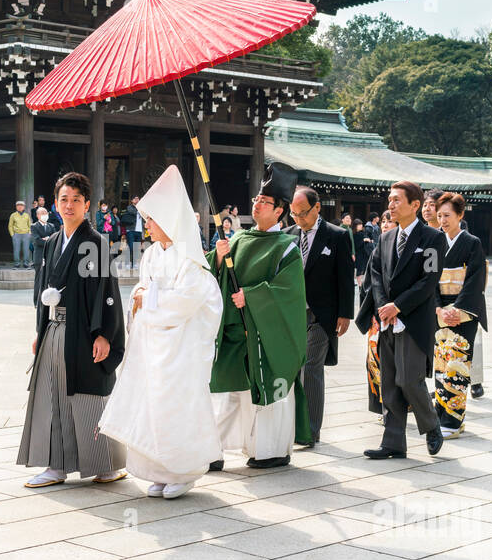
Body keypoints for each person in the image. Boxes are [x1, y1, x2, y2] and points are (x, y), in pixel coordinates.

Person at [99, 166, 222, 499]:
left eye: (151, 219)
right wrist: (143, 298)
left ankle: (183, 471)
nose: (147, 225)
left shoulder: (190, 261)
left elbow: (185, 302)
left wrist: (146, 299)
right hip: (153, 344)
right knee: (152, 406)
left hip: (180, 347)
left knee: (177, 406)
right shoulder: (152, 254)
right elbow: (141, 290)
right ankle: (158, 470)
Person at [18, 172, 127, 488]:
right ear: (55, 204)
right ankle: (56, 465)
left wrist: (105, 333)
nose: (69, 205)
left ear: (87, 205)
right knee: (51, 396)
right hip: (55, 328)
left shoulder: (94, 243)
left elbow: (106, 291)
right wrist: (41, 330)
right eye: (64, 199)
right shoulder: (52, 242)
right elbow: (43, 288)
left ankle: (106, 464)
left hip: (85, 332)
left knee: (88, 396)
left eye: (76, 200)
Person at [209, 163, 309, 469]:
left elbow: (288, 291)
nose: (257, 205)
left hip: (265, 334)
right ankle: (211, 449)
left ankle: (270, 450)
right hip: (235, 331)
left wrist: (252, 296)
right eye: (256, 200)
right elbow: (214, 272)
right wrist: (218, 256)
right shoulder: (238, 239)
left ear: (279, 211)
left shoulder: (286, 247)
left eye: (264, 202)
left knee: (267, 393)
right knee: (227, 394)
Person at [357, 182, 445, 458]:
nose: (390, 205)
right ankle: (393, 442)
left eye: (396, 200)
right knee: (389, 382)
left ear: (415, 205)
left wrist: (399, 306)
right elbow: (375, 276)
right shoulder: (385, 238)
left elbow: (429, 281)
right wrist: (384, 307)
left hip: (414, 320)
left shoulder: (432, 238)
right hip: (387, 320)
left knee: (409, 380)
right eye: (389, 200)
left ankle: (431, 425)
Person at [286, 186, 353, 447]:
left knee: (311, 368)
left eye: (303, 213)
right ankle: (292, 425)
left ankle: (311, 430)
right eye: (294, 215)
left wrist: (345, 313)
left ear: (317, 208)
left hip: (322, 314)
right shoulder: (287, 235)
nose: (299, 219)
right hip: (292, 314)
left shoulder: (336, 236)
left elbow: (346, 277)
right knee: (293, 369)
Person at [433, 193, 487, 438]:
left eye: (447, 215)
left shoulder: (472, 242)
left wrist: (457, 308)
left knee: (458, 365)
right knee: (441, 364)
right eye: (440, 215)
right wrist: (437, 307)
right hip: (438, 311)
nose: (442, 220)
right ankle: (439, 415)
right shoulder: (434, 240)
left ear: (460, 215)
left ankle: (454, 420)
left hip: (462, 312)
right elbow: (428, 278)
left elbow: (476, 279)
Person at [356, 211, 395, 417]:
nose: (387, 224)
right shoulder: (376, 250)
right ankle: (381, 405)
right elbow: (367, 287)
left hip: (397, 314)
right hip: (376, 315)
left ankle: (397, 405)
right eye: (385, 221)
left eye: (392, 221)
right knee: (374, 361)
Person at [120, 196, 143, 270]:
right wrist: (139, 208)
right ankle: (127, 263)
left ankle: (134, 263)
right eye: (135, 199)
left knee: (136, 248)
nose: (137, 200)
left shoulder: (141, 208)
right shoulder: (130, 207)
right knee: (130, 247)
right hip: (131, 230)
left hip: (139, 231)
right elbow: (132, 212)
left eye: (138, 198)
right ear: (132, 201)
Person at [8, 200, 32, 268]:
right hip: (16, 234)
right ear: (16, 207)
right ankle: (17, 263)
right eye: (18, 205)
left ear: (24, 207)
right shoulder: (13, 215)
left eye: (21, 205)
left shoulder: (27, 215)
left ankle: (26, 263)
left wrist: (29, 233)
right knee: (16, 249)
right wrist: (12, 234)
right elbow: (10, 225)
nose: (20, 207)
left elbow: (29, 224)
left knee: (26, 249)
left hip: (26, 234)